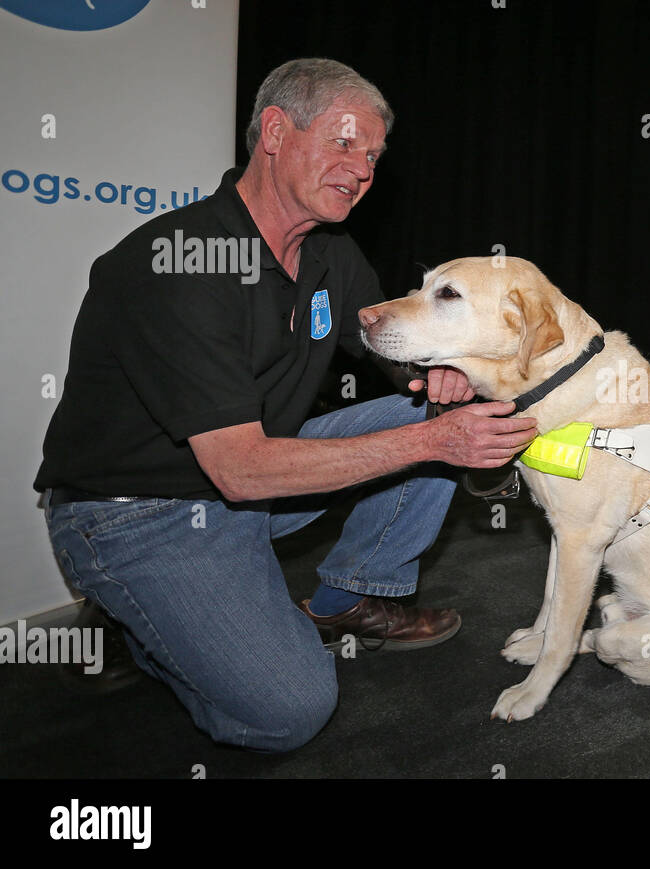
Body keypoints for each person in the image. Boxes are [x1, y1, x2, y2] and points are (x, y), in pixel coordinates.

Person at [34, 58, 537, 751]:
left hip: (249, 485)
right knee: (290, 710)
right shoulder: (178, 263)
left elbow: (384, 345)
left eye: (372, 156)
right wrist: (437, 443)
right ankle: (134, 612)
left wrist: (440, 372)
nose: (361, 169)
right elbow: (240, 470)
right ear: (275, 131)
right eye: (344, 142)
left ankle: (349, 595)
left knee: (425, 414)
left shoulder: (331, 254)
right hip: (140, 515)